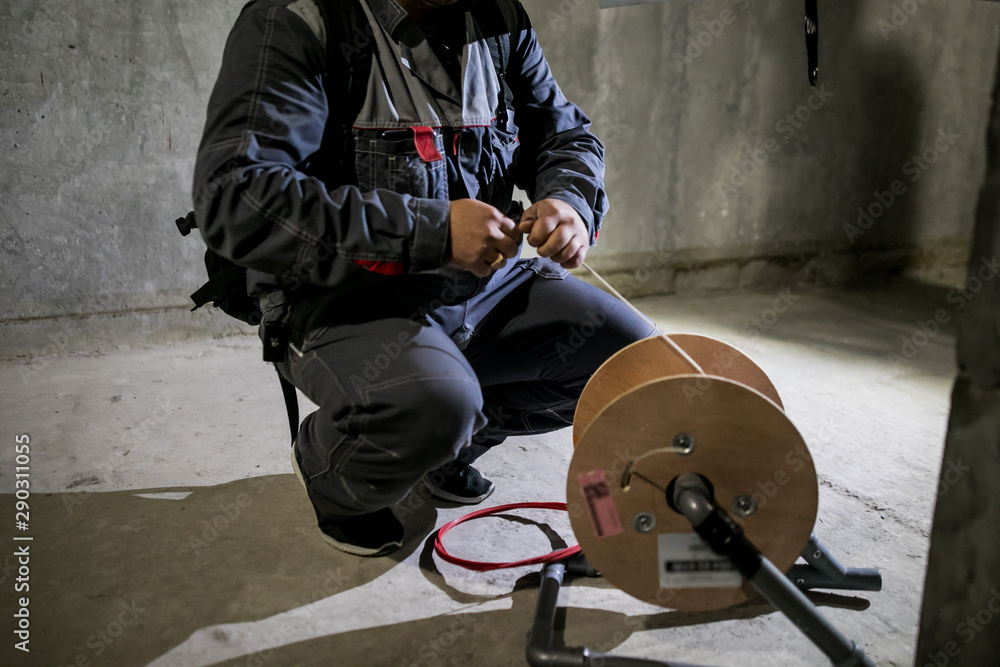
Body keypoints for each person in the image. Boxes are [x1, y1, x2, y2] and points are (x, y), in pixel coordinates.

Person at [192, 0, 652, 557]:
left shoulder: (498, 18)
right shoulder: (302, 21)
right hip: (341, 295)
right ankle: (333, 475)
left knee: (634, 367)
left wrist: (567, 200)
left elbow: (562, 135)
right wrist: (430, 233)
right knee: (430, 404)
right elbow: (239, 200)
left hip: (477, 283)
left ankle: (446, 447)